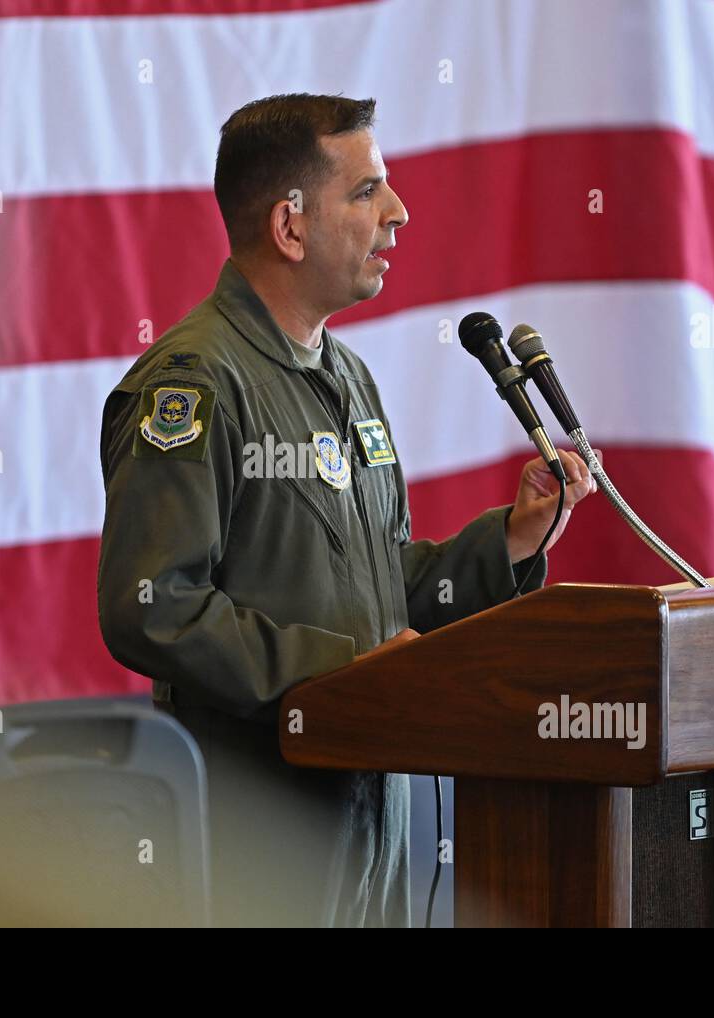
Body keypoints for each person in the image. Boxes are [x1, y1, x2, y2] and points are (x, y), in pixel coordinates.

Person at [97, 93, 597, 927]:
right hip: (261, 833)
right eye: (367, 192)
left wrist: (508, 542)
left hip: (371, 816)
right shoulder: (191, 383)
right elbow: (153, 607)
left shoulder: (348, 379)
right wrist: (345, 668)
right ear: (290, 227)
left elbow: (375, 586)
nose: (397, 215)